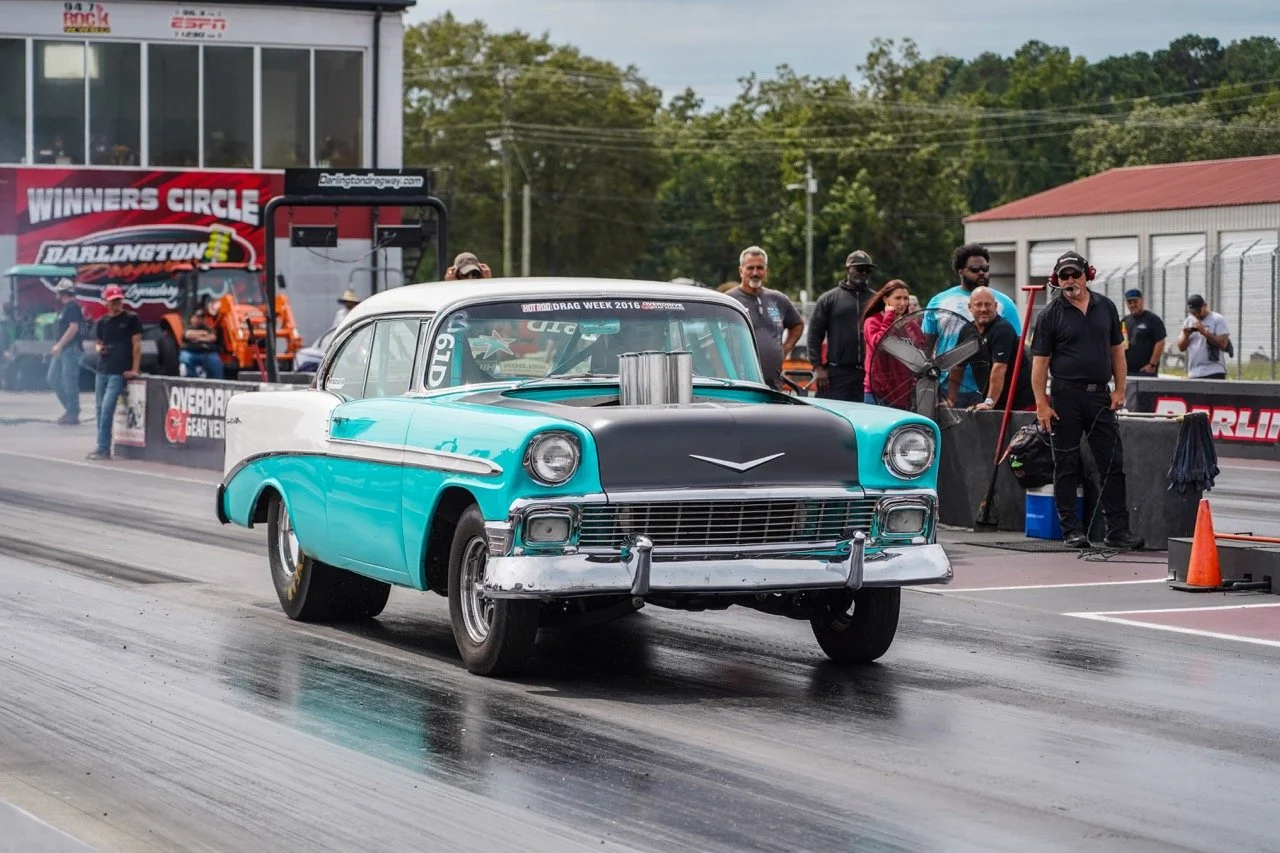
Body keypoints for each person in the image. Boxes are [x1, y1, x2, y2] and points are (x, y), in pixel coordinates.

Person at [1029, 251, 1143, 551]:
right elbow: (1039, 362)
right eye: (1063, 276)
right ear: (1056, 280)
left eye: (1074, 274)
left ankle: (1117, 530)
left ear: (1087, 275)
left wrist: (1120, 390)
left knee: (1112, 463)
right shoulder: (1049, 315)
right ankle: (1071, 531)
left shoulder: (1106, 307)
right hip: (1065, 395)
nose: (1069, 281)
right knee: (1066, 463)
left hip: (1100, 395)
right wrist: (1042, 404)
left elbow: (1117, 352)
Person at [926, 243, 1021, 403]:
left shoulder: (1005, 303)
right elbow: (928, 347)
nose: (982, 273)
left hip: (988, 390)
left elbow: (1017, 349)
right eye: (975, 270)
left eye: (985, 269)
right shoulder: (939, 301)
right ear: (960, 271)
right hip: (946, 387)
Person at [724, 246, 803, 390]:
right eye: (750, 268)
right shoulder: (728, 300)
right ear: (741, 271)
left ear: (766, 271)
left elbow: (797, 324)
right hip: (739, 385)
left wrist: (785, 349)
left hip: (773, 385)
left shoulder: (778, 299)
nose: (755, 273)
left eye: (760, 268)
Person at [806, 250, 877, 401]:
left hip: (867, 375)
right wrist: (818, 367)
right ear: (847, 269)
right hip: (836, 374)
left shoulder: (876, 300)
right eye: (859, 269)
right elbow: (814, 334)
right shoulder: (829, 299)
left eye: (867, 270)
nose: (863, 273)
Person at [89, 285, 142, 460]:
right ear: (106, 303)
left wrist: (134, 368)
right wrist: (99, 349)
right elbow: (98, 342)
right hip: (102, 369)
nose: (116, 304)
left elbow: (136, 345)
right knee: (99, 408)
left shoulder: (131, 319)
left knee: (106, 408)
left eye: (118, 301)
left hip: (118, 371)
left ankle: (103, 447)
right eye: (112, 301)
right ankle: (102, 446)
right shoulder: (102, 322)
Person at [962, 286, 1035, 412]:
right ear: (970, 307)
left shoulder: (1002, 329)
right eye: (978, 305)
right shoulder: (966, 330)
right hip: (993, 400)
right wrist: (950, 399)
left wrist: (989, 402)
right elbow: (958, 366)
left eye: (987, 305)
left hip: (1019, 403)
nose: (983, 309)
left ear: (995, 306)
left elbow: (999, 368)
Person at [861, 280, 913, 406]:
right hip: (877, 391)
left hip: (902, 391)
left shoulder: (909, 324)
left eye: (906, 298)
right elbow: (879, 345)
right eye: (898, 298)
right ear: (886, 300)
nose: (903, 303)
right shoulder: (872, 321)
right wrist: (889, 316)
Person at [48, 279, 84, 425]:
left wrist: (60, 345)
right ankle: (70, 409)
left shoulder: (72, 308)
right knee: (53, 378)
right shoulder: (64, 308)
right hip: (63, 349)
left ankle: (73, 413)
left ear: (62, 292)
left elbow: (73, 328)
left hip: (70, 349)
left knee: (69, 381)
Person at [1177, 294, 1231, 380]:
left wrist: (1205, 332)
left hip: (1214, 371)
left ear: (1204, 306)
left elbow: (1223, 344)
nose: (1196, 315)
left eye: (1198, 311)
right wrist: (1186, 336)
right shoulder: (1188, 321)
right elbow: (1181, 348)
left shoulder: (1217, 319)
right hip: (1194, 373)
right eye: (1193, 312)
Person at [1122, 289, 1167, 376]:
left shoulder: (1152, 319)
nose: (1132, 305)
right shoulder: (1124, 321)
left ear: (1142, 302)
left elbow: (1160, 342)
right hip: (1127, 371)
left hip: (1145, 371)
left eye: (1135, 302)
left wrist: (1152, 365)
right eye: (1129, 302)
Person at [180, 307, 225, 379]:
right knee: (185, 358)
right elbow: (187, 335)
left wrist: (197, 338)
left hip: (208, 353)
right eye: (198, 317)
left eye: (202, 318)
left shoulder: (208, 328)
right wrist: (204, 334)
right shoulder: (189, 327)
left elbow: (212, 337)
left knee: (216, 363)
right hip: (191, 352)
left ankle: (218, 382)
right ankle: (190, 381)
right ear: (193, 318)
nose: (200, 319)